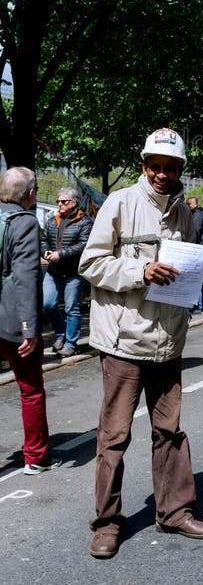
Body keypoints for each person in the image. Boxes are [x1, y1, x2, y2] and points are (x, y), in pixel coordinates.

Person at [79, 127, 203, 560]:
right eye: (155, 166)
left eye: (171, 168)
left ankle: (175, 511)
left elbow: (186, 267)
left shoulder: (184, 213)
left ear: (180, 171)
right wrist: (140, 272)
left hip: (168, 342)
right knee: (114, 437)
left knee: (170, 432)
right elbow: (91, 262)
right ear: (144, 166)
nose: (162, 174)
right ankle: (106, 524)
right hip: (123, 342)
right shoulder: (119, 202)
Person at [0, 167, 62, 475]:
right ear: (31, 194)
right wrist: (30, 327)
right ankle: (35, 457)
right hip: (11, 319)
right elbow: (26, 275)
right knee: (30, 389)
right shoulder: (24, 222)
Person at [41, 187, 93, 357]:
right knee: (47, 304)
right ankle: (61, 334)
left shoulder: (85, 222)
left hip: (73, 273)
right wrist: (46, 252)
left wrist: (60, 254)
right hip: (53, 272)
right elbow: (43, 240)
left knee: (72, 308)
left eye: (63, 201)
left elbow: (84, 244)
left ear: (74, 203)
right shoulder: (52, 220)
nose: (60, 204)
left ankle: (71, 343)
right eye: (58, 201)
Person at [185, 196, 203, 311]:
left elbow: (195, 233)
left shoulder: (197, 216)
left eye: (188, 204)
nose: (187, 207)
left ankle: (198, 305)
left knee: (197, 278)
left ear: (194, 204)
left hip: (198, 249)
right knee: (202, 278)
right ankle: (202, 304)